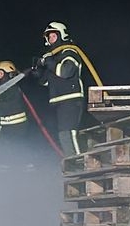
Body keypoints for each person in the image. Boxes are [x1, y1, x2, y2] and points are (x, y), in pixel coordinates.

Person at [31, 21, 98, 155]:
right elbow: (47, 82)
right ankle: (73, 163)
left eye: (53, 36)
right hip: (60, 101)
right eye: (48, 37)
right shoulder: (55, 58)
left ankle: (79, 164)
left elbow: (65, 72)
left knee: (69, 133)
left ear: (61, 35)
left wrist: (48, 62)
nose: (50, 40)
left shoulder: (69, 52)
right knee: (63, 134)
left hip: (71, 100)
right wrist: (38, 74)